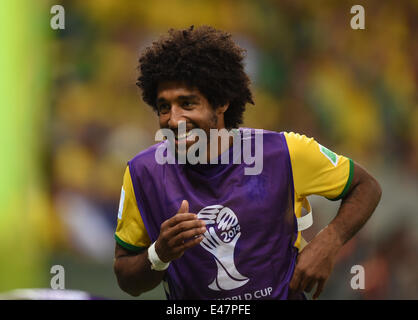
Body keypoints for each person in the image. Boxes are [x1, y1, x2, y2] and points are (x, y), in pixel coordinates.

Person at [113, 25, 382, 300]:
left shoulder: (285, 153)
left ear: (221, 103)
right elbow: (126, 278)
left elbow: (366, 186)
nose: (173, 119)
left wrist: (328, 242)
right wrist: (159, 253)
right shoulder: (142, 173)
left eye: (187, 103)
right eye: (164, 107)